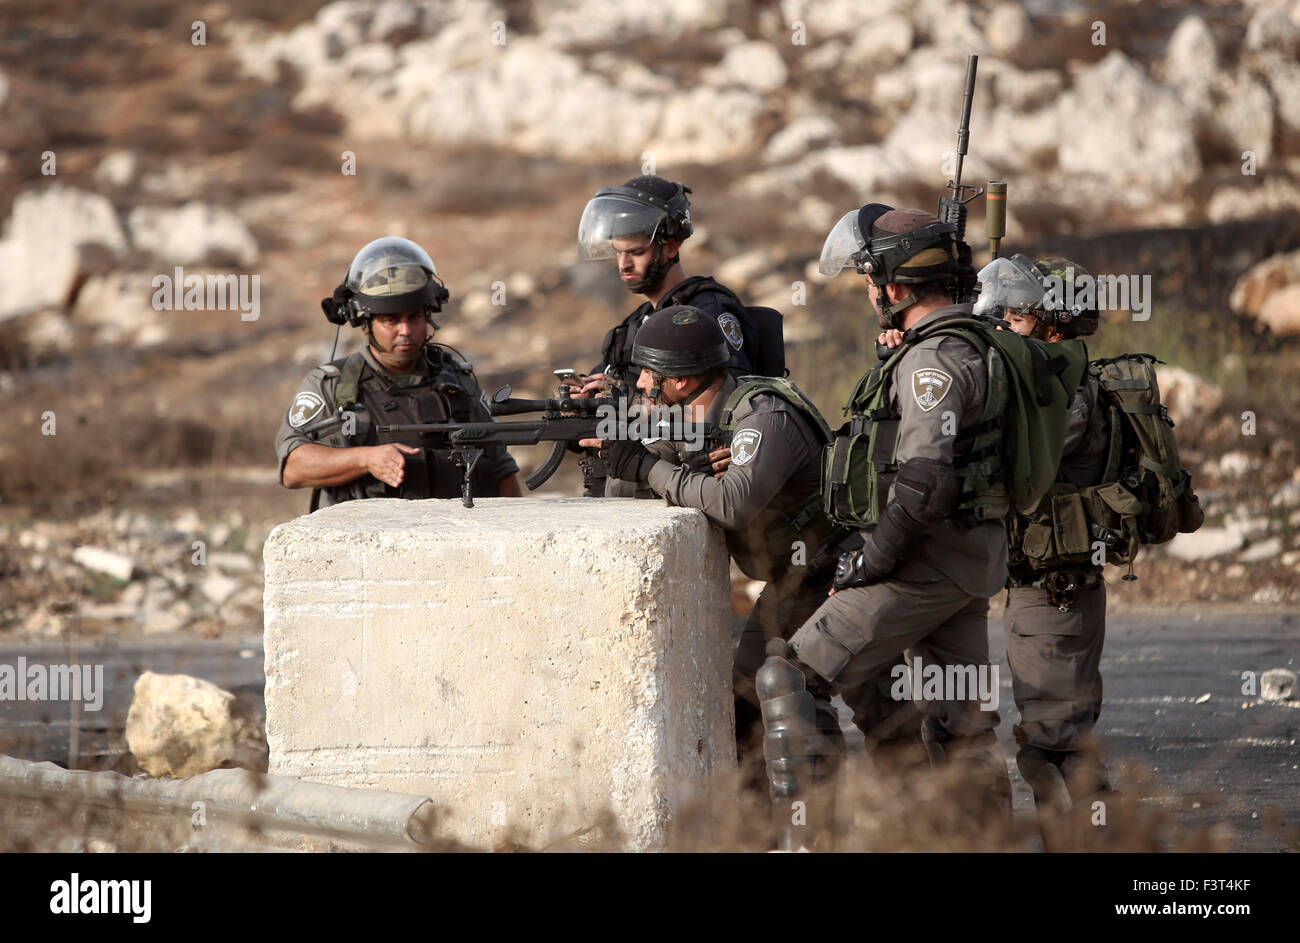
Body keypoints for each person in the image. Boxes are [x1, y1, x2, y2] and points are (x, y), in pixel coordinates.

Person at [755, 205, 1016, 844]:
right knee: (963, 728)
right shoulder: (973, 343)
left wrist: (870, 562)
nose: (870, 292)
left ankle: (812, 839)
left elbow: (924, 482)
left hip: (921, 564)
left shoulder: (931, 364)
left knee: (788, 679)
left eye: (872, 281)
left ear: (895, 289)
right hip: (971, 561)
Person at [592, 305, 923, 777]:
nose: (641, 383)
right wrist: (630, 454)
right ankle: (793, 816)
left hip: (837, 573)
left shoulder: (763, 416)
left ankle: (923, 808)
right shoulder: (687, 418)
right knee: (750, 701)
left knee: (873, 714)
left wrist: (651, 468)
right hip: (795, 579)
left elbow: (732, 503)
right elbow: (633, 481)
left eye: (649, 372)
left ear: (681, 379)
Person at [973, 254, 1111, 810]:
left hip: (1055, 593)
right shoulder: (1056, 386)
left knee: (1052, 750)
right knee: (1061, 742)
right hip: (1048, 591)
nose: (1006, 326)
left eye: (1018, 318)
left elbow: (1008, 462)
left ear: (1053, 327)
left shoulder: (1067, 399)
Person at [276, 237, 521, 509]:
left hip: (453, 532)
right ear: (365, 324)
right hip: (366, 533)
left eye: (414, 317)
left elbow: (500, 468)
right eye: (390, 320)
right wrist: (366, 460)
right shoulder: (333, 385)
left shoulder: (457, 382)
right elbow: (292, 468)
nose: (405, 330)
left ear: (428, 316)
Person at [574, 175, 773, 496]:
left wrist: (632, 403)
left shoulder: (705, 313)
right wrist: (587, 400)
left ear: (670, 246)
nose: (624, 264)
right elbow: (607, 390)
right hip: (625, 485)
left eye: (635, 252)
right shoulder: (635, 325)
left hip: (680, 481)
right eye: (618, 252)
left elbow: (725, 401)